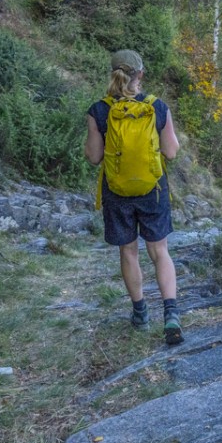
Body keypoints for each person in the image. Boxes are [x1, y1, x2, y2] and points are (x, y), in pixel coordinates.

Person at [84, 49, 183, 343]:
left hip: (117, 191)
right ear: (140, 74)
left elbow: (93, 157)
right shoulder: (157, 107)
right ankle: (172, 314)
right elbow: (172, 151)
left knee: (128, 251)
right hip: (153, 189)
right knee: (159, 250)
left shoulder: (99, 110)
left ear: (113, 73)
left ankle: (140, 313)